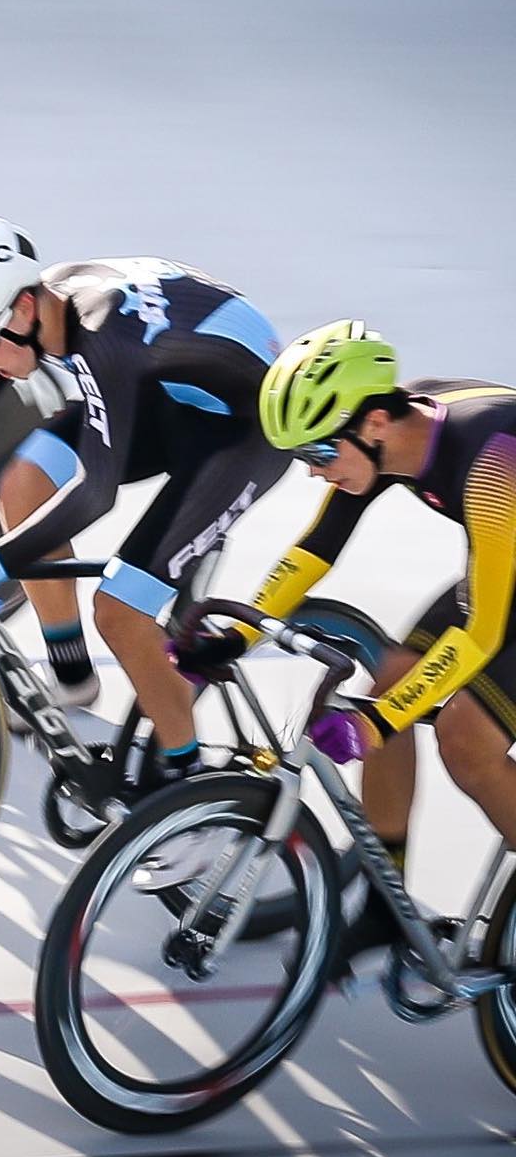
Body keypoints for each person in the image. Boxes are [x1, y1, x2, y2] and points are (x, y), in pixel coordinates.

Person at [0, 213, 288, 783]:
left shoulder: (102, 332)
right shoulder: (37, 309)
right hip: (163, 396)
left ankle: (186, 786)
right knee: (23, 485)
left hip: (240, 431)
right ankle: (72, 675)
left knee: (120, 611)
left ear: (23, 309)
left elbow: (94, 494)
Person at [176, 319, 516, 972]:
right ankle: (389, 907)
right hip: (508, 565)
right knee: (391, 682)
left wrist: (377, 723)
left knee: (465, 742)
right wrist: (238, 633)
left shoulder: (493, 459)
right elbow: (316, 547)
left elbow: (483, 635)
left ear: (375, 423)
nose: (313, 471)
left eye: (319, 452)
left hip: (504, 574)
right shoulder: (396, 430)